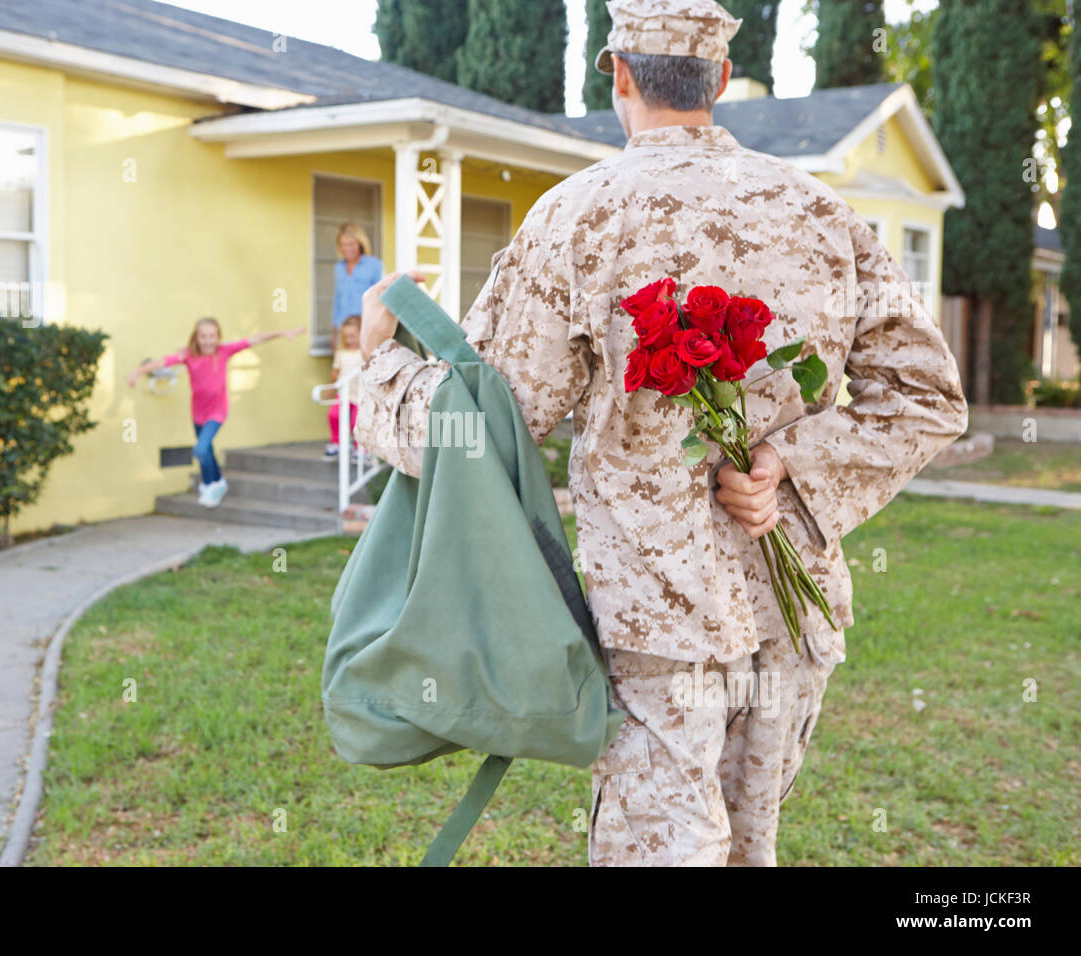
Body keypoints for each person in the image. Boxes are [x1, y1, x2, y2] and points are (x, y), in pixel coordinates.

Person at [352, 0, 967, 866]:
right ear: (719, 79)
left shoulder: (577, 219)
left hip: (655, 626)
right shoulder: (823, 216)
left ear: (619, 74)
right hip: (793, 617)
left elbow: (481, 429)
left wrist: (377, 368)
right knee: (749, 848)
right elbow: (928, 393)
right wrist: (787, 462)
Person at [127, 318, 306, 507]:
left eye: (212, 336)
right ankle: (218, 481)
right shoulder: (188, 355)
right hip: (197, 412)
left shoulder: (224, 351)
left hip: (217, 411)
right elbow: (162, 361)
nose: (208, 341)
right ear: (196, 338)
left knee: (201, 449)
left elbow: (256, 338)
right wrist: (137, 372)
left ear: (218, 337)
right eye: (203, 336)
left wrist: (284, 332)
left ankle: (210, 484)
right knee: (208, 450)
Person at [332, 222, 383, 352]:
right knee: (344, 367)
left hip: (366, 329)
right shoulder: (339, 267)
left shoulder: (374, 265)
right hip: (345, 333)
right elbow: (338, 300)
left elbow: (380, 299)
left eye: (351, 244)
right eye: (343, 245)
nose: (347, 249)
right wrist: (335, 334)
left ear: (360, 243)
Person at [324, 315, 365, 460]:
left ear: (362, 334)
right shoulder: (341, 352)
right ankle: (337, 443)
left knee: (356, 421)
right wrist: (331, 389)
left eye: (352, 336)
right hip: (344, 393)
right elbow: (336, 372)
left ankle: (360, 448)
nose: (348, 340)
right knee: (334, 415)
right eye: (346, 337)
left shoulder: (365, 353)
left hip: (360, 393)